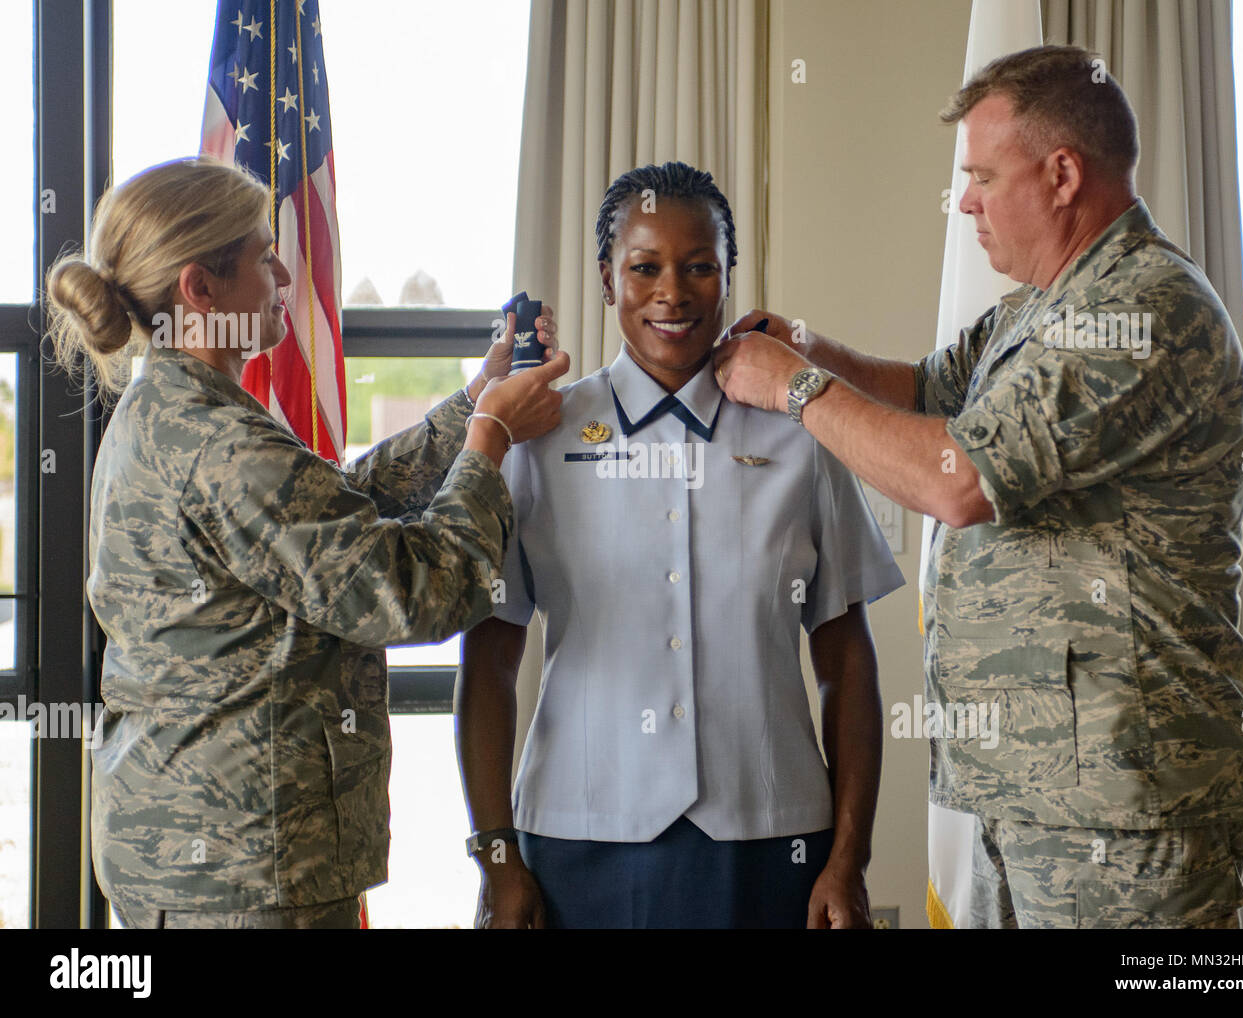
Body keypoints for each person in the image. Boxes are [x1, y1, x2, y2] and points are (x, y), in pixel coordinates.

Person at [713, 45, 1243, 928]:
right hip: (1038, 797)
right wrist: (813, 349)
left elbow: (958, 478)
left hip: (1127, 818)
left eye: (980, 175)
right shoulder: (1040, 304)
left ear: (1060, 174)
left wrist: (791, 387)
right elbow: (932, 389)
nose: (963, 200)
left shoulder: (1141, 311)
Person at [47, 157, 570, 929]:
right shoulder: (219, 442)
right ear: (201, 289)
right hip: (245, 875)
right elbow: (414, 592)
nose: (286, 272)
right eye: (263, 256)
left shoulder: (175, 406)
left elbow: (333, 507)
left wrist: (472, 402)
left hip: (198, 852)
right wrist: (489, 439)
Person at [456, 161, 905, 929]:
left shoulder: (802, 430)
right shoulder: (538, 435)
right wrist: (498, 860)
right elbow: (490, 662)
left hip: (772, 844)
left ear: (728, 277)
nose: (673, 291)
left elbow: (848, 661)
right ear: (607, 281)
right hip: (575, 841)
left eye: (700, 266)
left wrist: (847, 860)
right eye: (645, 268)